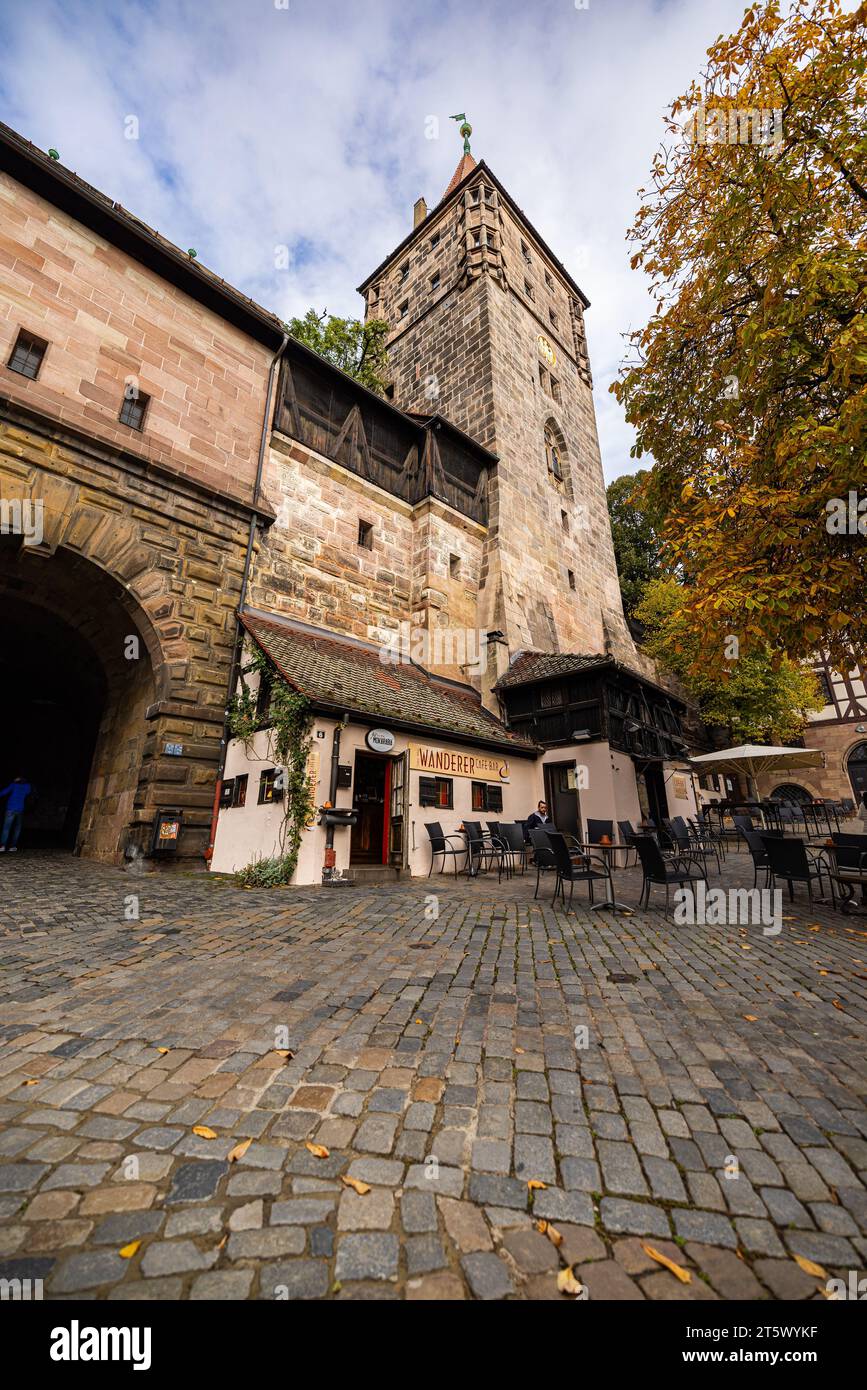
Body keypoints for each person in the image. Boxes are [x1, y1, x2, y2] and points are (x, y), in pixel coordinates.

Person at [0, 776, 32, 853]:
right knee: (17, 829)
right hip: (20, 809)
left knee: (6, 828)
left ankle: (2, 846)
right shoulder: (27, 786)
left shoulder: (13, 785)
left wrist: (15, 782)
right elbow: (28, 792)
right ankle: (13, 846)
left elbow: (3, 793)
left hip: (10, 808)